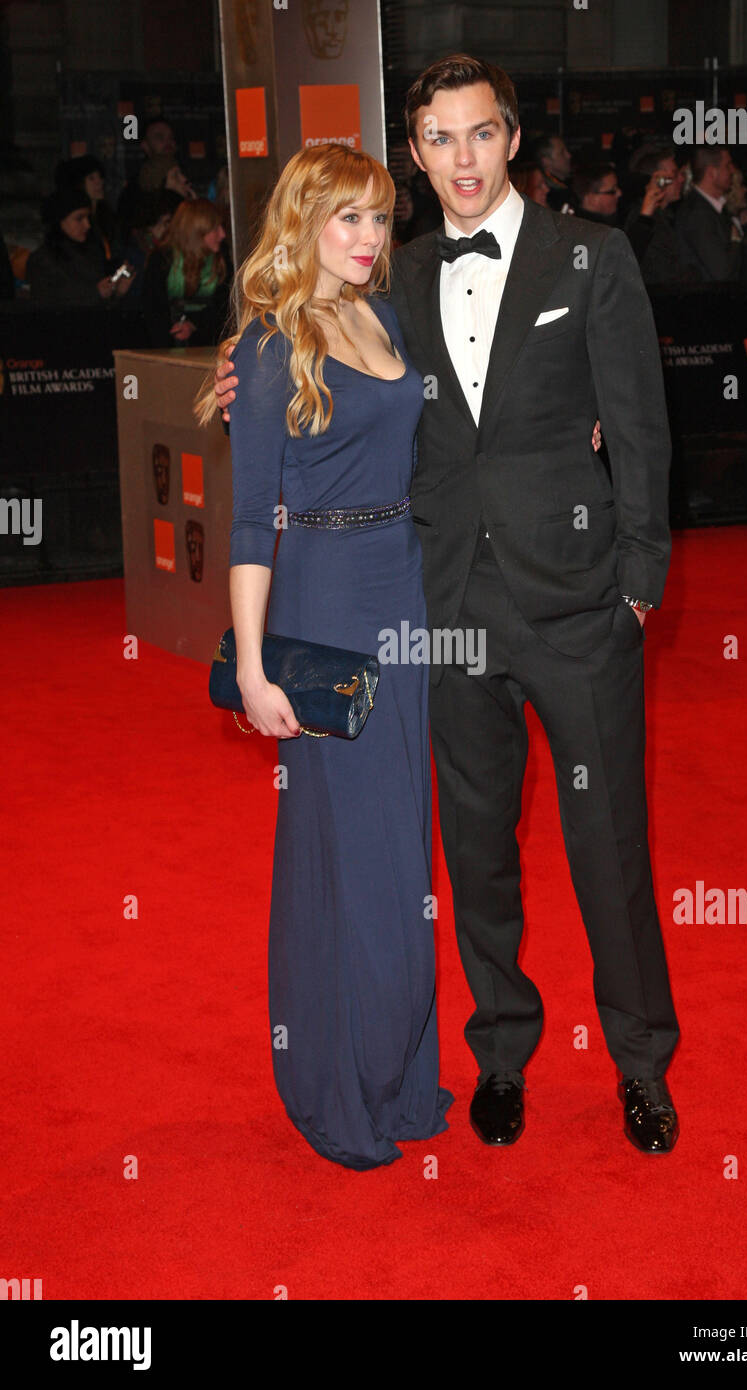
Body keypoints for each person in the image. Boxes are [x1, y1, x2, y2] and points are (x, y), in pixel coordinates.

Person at [215, 54, 680, 1156]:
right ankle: (503, 1053)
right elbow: (325, 374)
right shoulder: (400, 277)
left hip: (578, 611)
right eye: (439, 139)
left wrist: (640, 588)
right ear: (416, 152)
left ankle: (641, 1062)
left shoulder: (594, 258)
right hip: (443, 611)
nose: (462, 159)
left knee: (607, 844)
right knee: (474, 851)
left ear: (511, 140)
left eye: (481, 135)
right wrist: (244, 380)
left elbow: (645, 432)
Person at [196, 143, 454, 1170]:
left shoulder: (381, 315)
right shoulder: (267, 347)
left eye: (380, 219)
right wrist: (255, 670)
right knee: (346, 852)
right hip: (324, 592)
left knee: (401, 842)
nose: (366, 239)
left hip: (402, 584)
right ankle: (336, 1080)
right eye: (346, 218)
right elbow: (252, 521)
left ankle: (397, 1070)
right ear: (301, 220)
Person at [140, 198, 231, 347]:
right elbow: (152, 311)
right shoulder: (162, 259)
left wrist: (195, 324)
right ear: (196, 232)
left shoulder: (221, 258)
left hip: (210, 346)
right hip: (166, 348)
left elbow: (225, 308)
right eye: (215, 228)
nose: (222, 234)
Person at [27, 187, 135, 306]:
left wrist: (117, 293)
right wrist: (95, 293)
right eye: (79, 219)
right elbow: (47, 305)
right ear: (59, 221)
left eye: (88, 218)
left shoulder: (92, 251)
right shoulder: (42, 259)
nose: (87, 225)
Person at [672, 146, 743, 281]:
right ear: (712, 173)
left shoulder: (715, 209)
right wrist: (736, 240)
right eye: (727, 166)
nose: (733, 171)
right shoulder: (697, 214)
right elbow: (722, 271)